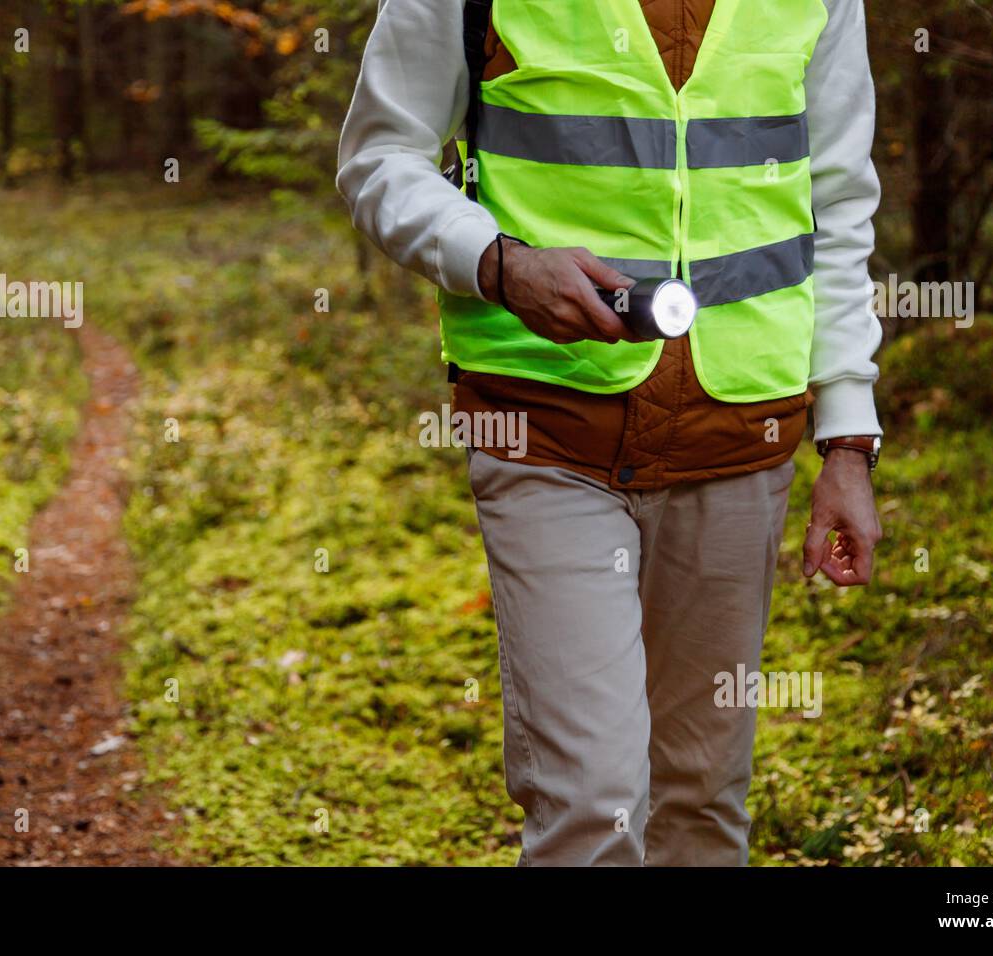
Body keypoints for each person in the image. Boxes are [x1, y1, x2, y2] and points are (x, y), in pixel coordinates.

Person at [337, 0, 884, 866]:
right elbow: (378, 157)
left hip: (742, 435)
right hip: (550, 434)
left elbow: (841, 205)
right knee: (592, 807)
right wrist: (500, 263)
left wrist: (849, 439)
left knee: (701, 801)